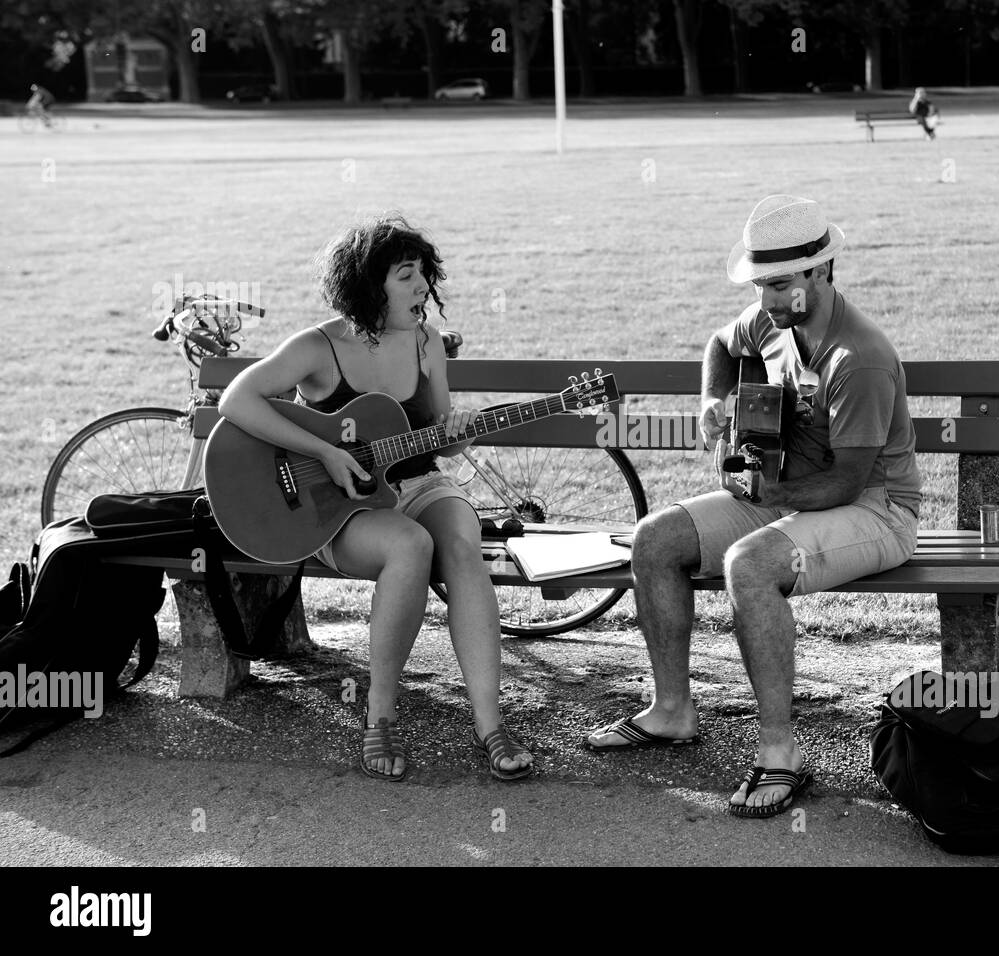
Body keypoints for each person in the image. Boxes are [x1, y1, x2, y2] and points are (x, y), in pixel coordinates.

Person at [587, 195, 922, 818]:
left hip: (877, 509)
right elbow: (721, 342)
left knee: (749, 564)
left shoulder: (860, 359)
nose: (767, 300)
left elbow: (846, 484)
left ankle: (779, 754)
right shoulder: (773, 320)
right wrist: (713, 398)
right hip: (789, 493)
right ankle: (671, 711)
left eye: (780, 284)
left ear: (821, 272)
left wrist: (765, 495)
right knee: (654, 539)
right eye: (761, 284)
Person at [217, 213, 533, 783]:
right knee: (410, 545)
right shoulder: (319, 346)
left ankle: (491, 723)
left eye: (423, 275)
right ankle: (379, 715)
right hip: (340, 508)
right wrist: (328, 452)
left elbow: (439, 430)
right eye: (406, 275)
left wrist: (457, 433)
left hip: (420, 483)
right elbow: (237, 400)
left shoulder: (426, 342)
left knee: (461, 547)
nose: (421, 288)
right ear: (368, 285)